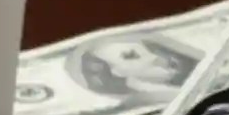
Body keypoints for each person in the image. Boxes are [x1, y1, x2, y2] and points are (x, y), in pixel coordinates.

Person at [64, 34, 203, 106]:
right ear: (117, 72)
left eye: (150, 47)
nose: (155, 57)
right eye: (130, 56)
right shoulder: (147, 100)